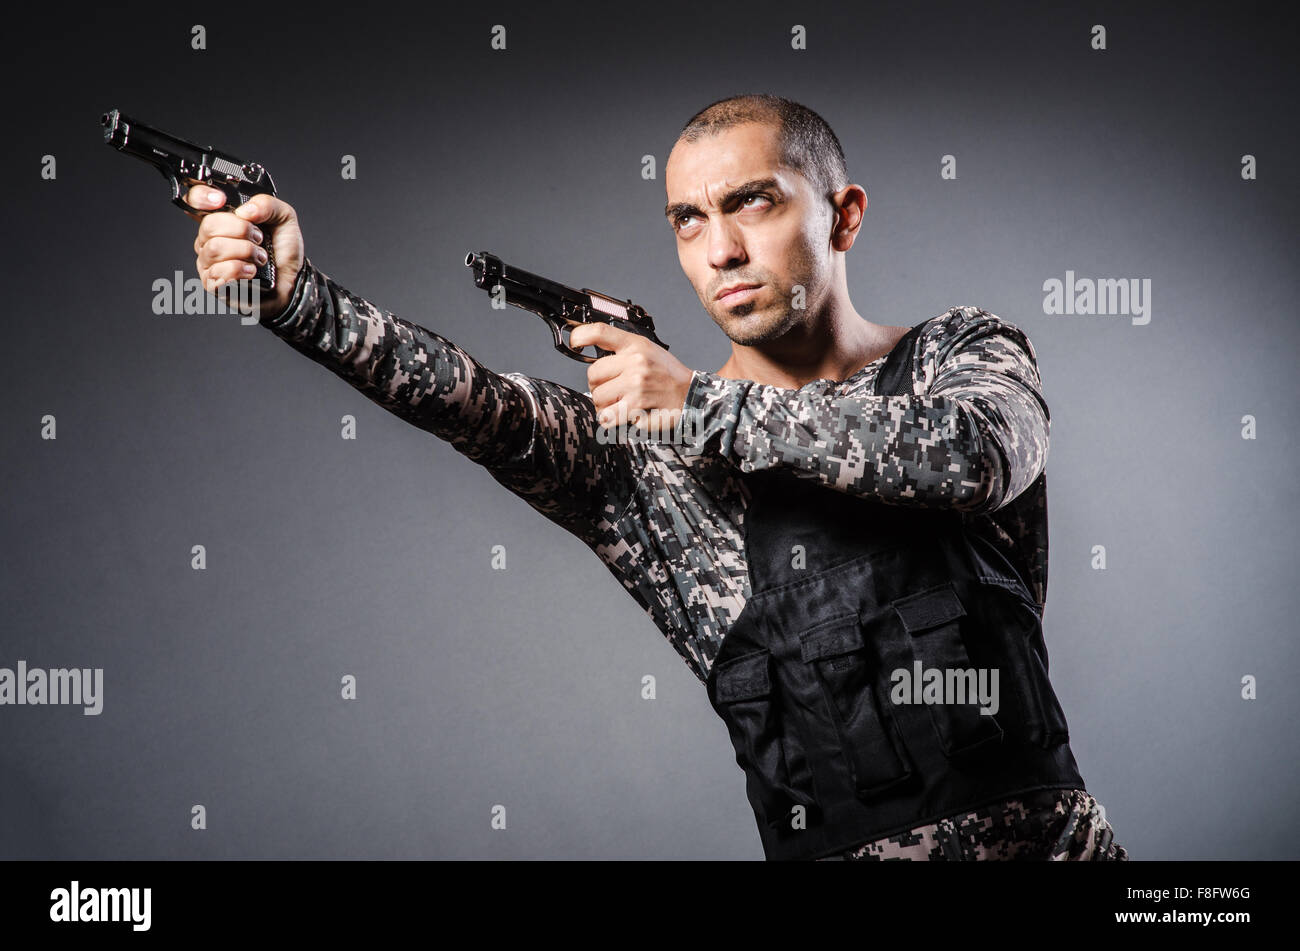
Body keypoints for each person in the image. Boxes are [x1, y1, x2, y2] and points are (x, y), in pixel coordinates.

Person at [184, 93, 1127, 861]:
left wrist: (703, 405)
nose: (719, 251)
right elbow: (465, 398)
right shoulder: (647, 467)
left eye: (752, 201)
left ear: (843, 214)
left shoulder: (955, 355)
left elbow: (973, 455)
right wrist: (296, 300)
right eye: (688, 219)